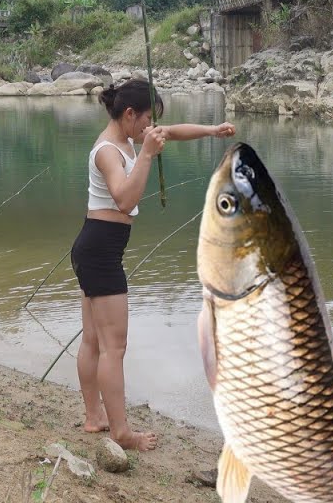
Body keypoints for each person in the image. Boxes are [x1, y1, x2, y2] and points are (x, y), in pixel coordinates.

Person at [70, 78, 236, 451]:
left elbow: (172, 132)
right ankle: (121, 432)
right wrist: (145, 155)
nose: (151, 128)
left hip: (94, 247)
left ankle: (95, 417)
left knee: (94, 340)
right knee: (114, 347)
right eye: (147, 120)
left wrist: (212, 130)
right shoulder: (109, 151)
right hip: (100, 251)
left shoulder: (129, 138)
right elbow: (125, 200)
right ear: (129, 114)